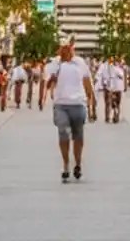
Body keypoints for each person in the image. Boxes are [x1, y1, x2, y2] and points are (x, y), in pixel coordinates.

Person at [46, 42, 95, 183]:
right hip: (61, 104)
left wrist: (91, 103)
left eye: (69, 49)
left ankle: (78, 164)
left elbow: (87, 82)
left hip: (78, 103)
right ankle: (66, 165)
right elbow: (49, 83)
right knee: (63, 133)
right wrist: (52, 79)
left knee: (78, 136)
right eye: (64, 50)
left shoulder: (80, 63)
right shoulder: (55, 63)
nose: (67, 52)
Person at [101, 57, 125, 123]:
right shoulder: (119, 69)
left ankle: (113, 116)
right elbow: (122, 77)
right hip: (117, 88)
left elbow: (106, 78)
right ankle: (115, 116)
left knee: (113, 103)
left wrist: (105, 85)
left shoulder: (110, 69)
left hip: (113, 88)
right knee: (116, 103)